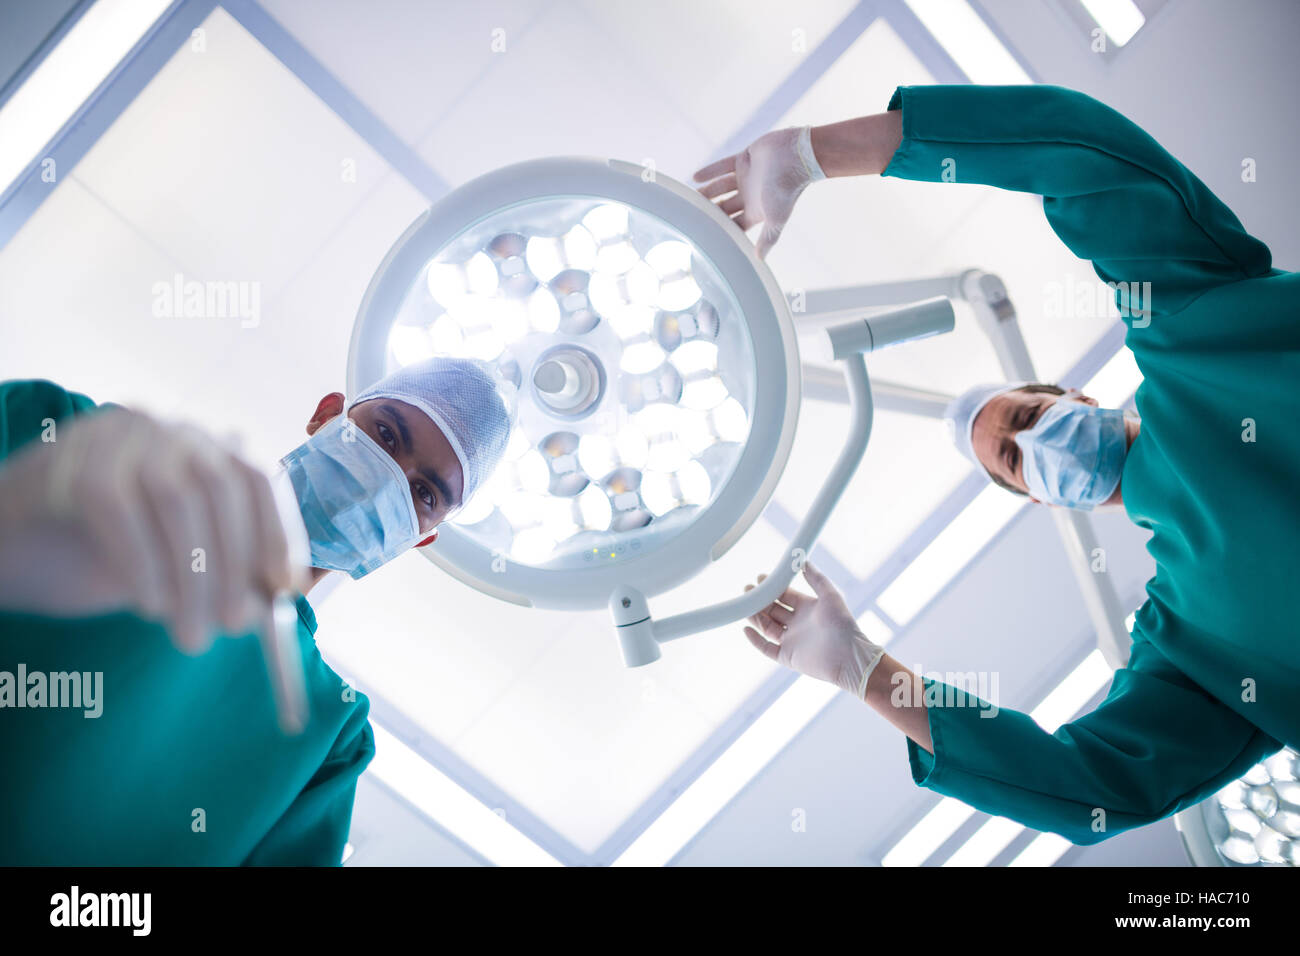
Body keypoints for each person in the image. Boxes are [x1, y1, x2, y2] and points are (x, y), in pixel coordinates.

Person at [697, 83, 1297, 845]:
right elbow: (1091, 790)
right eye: (1014, 461)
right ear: (1046, 501)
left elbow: (1082, 156)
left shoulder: (1193, 328)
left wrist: (816, 154)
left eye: (1023, 419)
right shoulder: (1195, 652)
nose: (1034, 446)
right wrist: (865, 671)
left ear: (1074, 395)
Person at [0, 357, 511, 864]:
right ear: (328, 414)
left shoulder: (329, 738)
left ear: (418, 537)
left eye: (422, 492)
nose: (385, 482)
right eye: (385, 434)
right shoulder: (88, 456)